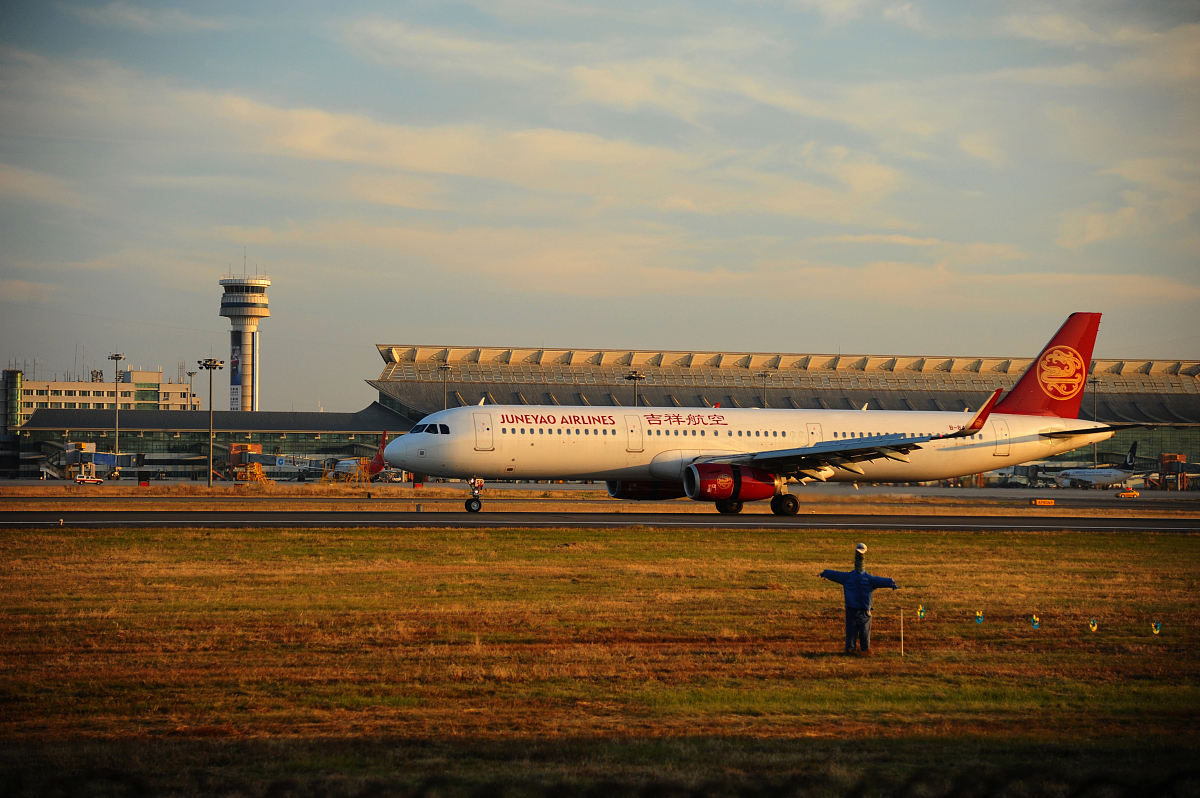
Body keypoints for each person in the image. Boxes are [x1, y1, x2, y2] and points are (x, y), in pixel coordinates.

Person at [819, 543, 898, 655]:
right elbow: (882, 581)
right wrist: (891, 583)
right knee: (862, 637)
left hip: (857, 612)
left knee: (855, 636)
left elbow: (833, 574)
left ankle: (855, 651)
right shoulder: (867, 579)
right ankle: (861, 651)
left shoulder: (849, 577)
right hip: (858, 612)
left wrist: (825, 573)